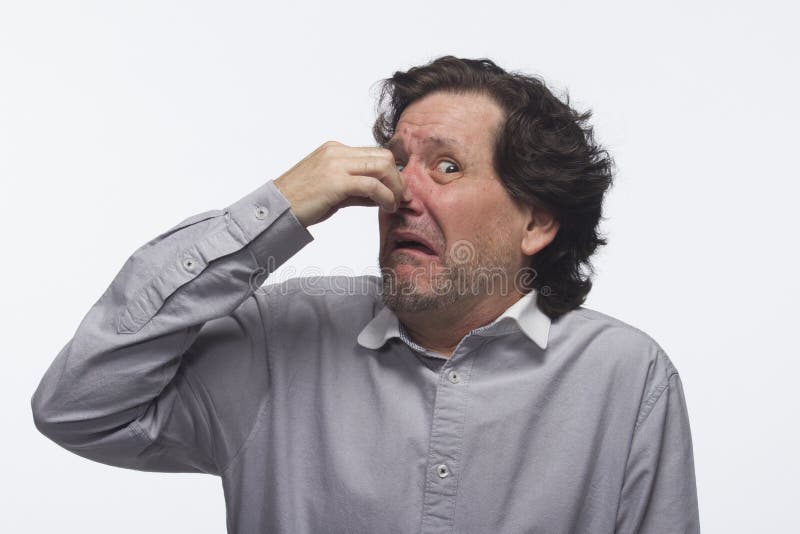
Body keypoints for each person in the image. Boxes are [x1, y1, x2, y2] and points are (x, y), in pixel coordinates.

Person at [31, 55, 700, 533]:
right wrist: (275, 209)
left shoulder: (626, 378)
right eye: (397, 164)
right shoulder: (280, 340)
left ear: (537, 222)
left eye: (446, 167)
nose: (401, 193)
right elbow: (77, 406)